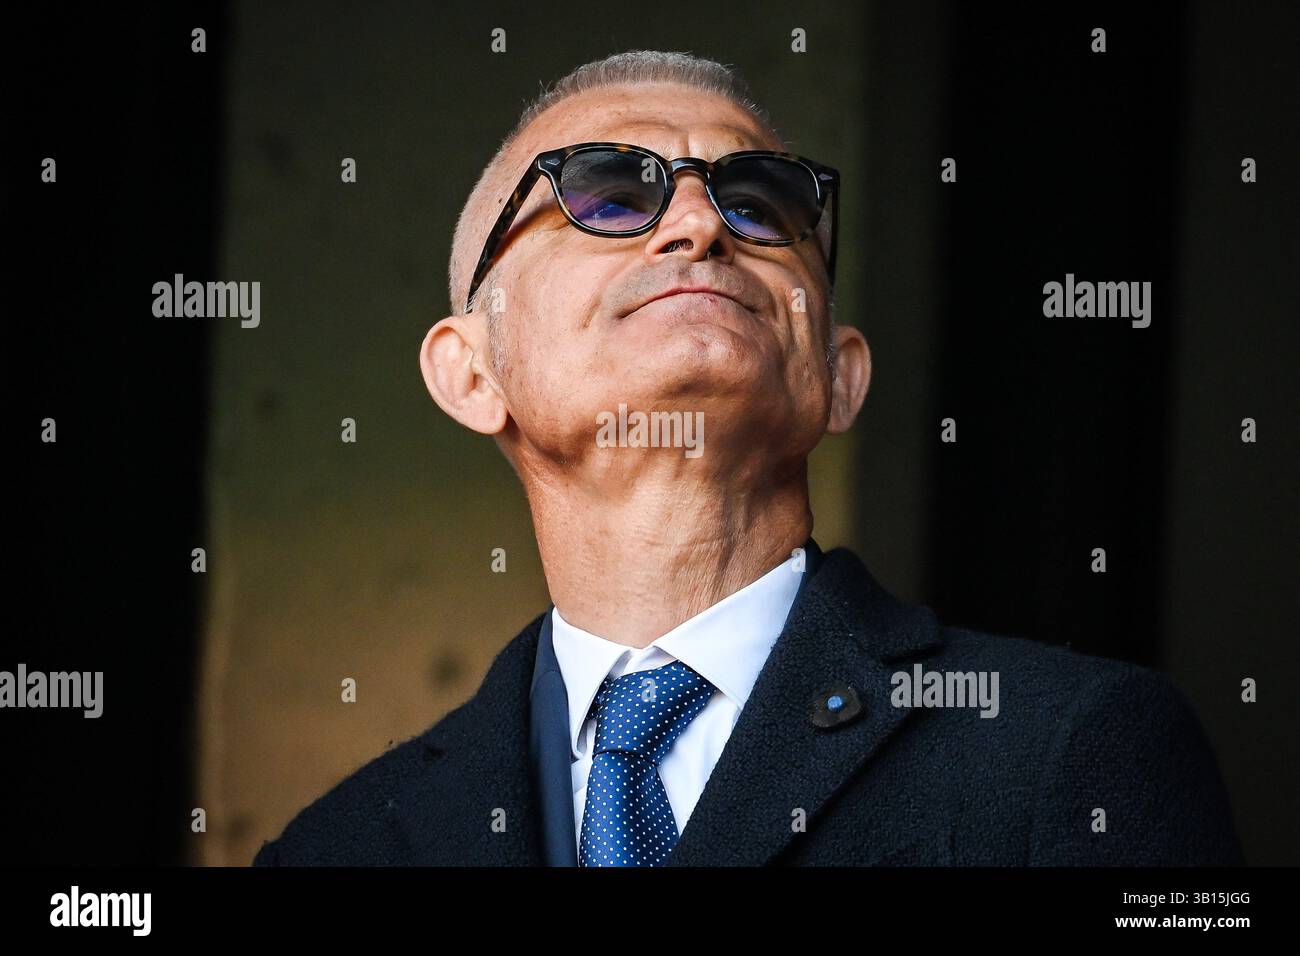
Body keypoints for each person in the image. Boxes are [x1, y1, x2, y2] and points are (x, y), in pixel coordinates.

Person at [252, 50, 1242, 867]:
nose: (697, 226)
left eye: (762, 206)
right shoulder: (337, 848)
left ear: (840, 373)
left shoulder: (1073, 747)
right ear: (472, 373)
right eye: (605, 193)